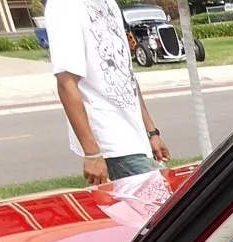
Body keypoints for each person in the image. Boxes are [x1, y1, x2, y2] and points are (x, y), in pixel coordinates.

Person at [44, 0, 170, 184]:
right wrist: (92, 152)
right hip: (111, 139)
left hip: (134, 136)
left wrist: (151, 132)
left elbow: (125, 74)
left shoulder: (108, 3)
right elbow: (66, 83)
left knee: (154, 208)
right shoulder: (64, 5)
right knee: (158, 207)